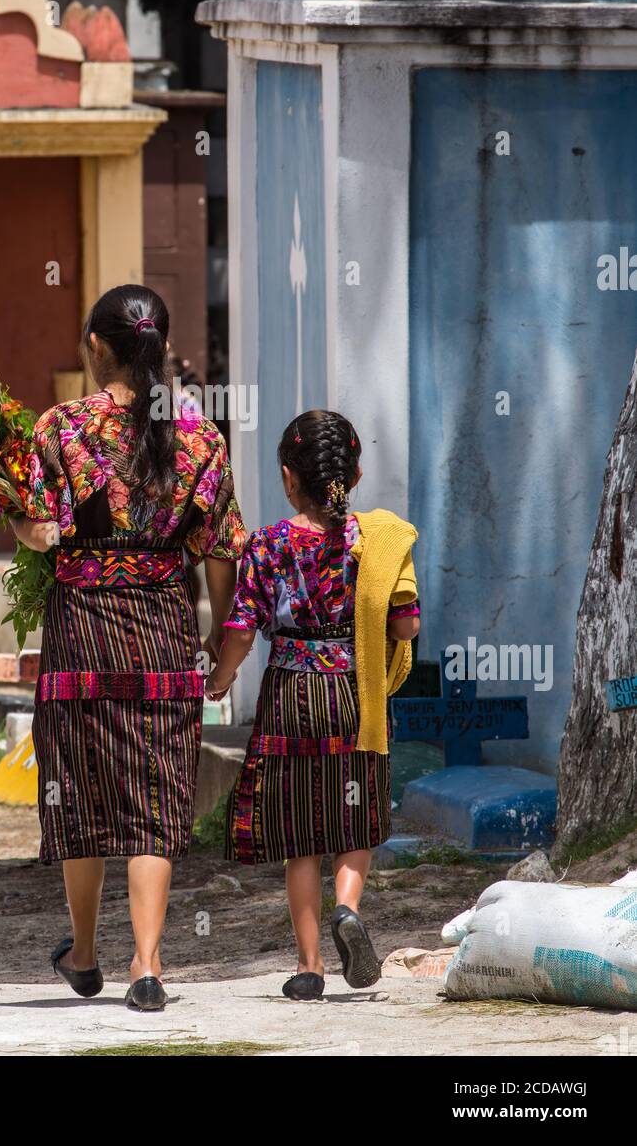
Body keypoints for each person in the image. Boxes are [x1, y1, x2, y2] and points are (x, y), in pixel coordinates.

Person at [11, 285, 246, 1011]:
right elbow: (220, 548)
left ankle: (84, 954)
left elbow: (32, 525)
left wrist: (34, 533)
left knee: (78, 789)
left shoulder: (58, 429)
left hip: (81, 626)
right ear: (163, 348)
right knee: (154, 793)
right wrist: (223, 636)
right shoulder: (199, 436)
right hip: (162, 630)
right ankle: (148, 965)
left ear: (96, 346)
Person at [205, 409, 420, 1001]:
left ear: (286, 476)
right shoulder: (378, 543)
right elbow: (404, 627)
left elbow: (242, 632)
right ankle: (347, 909)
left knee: (300, 834)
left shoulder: (267, 545)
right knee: (354, 816)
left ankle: (310, 967)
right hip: (357, 693)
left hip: (290, 697)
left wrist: (218, 682)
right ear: (353, 474)